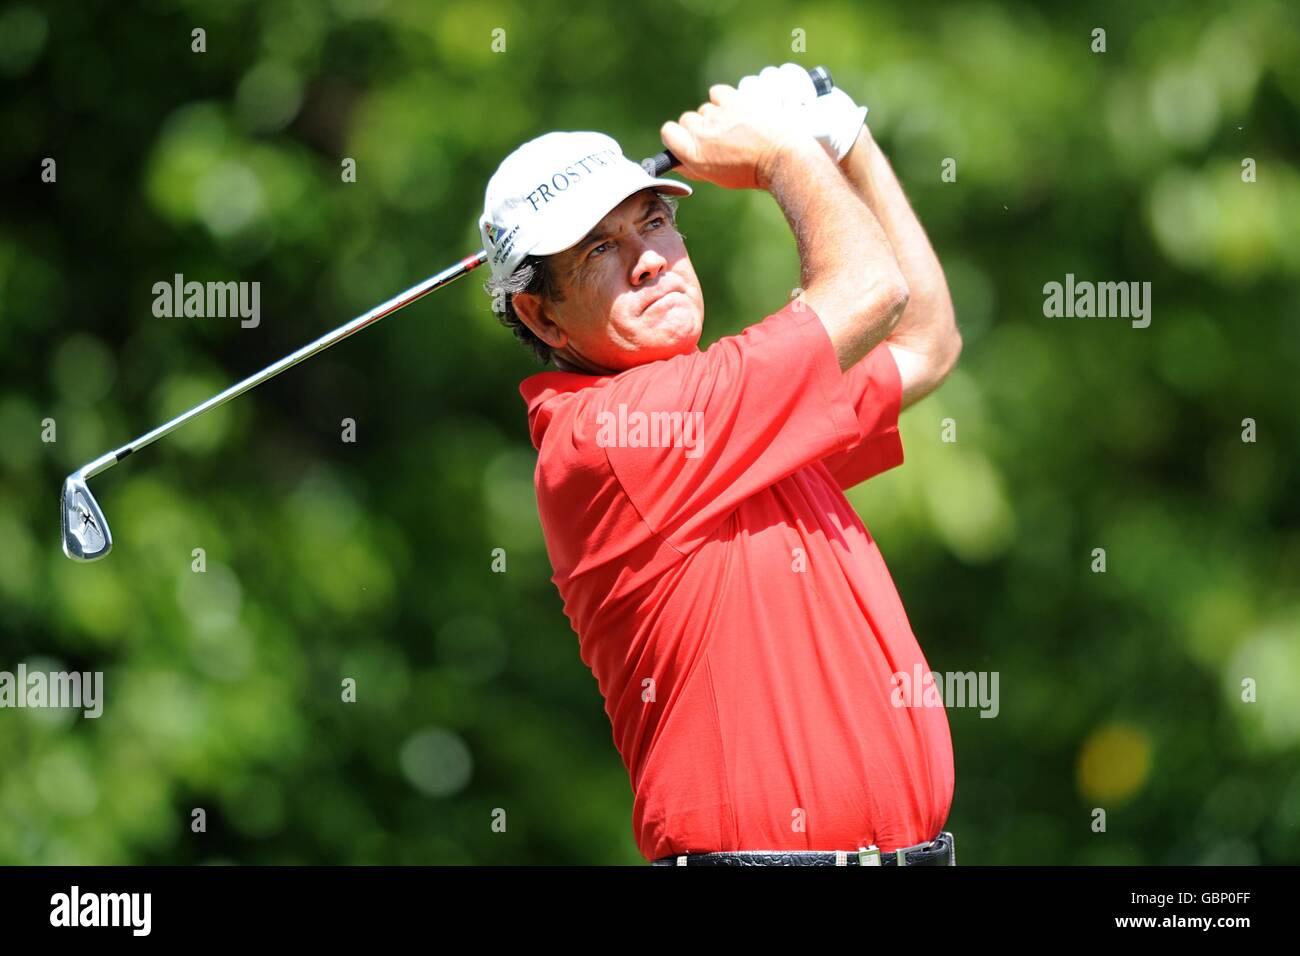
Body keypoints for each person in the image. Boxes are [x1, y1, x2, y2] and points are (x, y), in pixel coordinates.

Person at [479, 64, 962, 865]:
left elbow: (926, 341)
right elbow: (870, 289)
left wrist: (846, 142)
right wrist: (781, 155)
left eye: (654, 222)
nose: (647, 259)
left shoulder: (740, 417)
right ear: (541, 314)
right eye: (600, 248)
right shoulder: (612, 437)